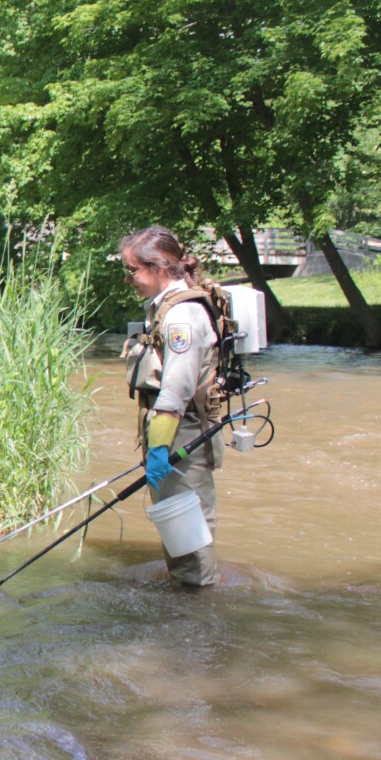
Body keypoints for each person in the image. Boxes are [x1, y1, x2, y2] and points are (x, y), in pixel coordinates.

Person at [120, 226, 225, 588]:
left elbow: (177, 389)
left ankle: (198, 612)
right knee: (178, 529)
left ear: (159, 267)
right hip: (173, 431)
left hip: (182, 434)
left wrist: (160, 448)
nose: (129, 278)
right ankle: (188, 600)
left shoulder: (181, 317)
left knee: (190, 538)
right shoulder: (166, 308)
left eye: (132, 270)